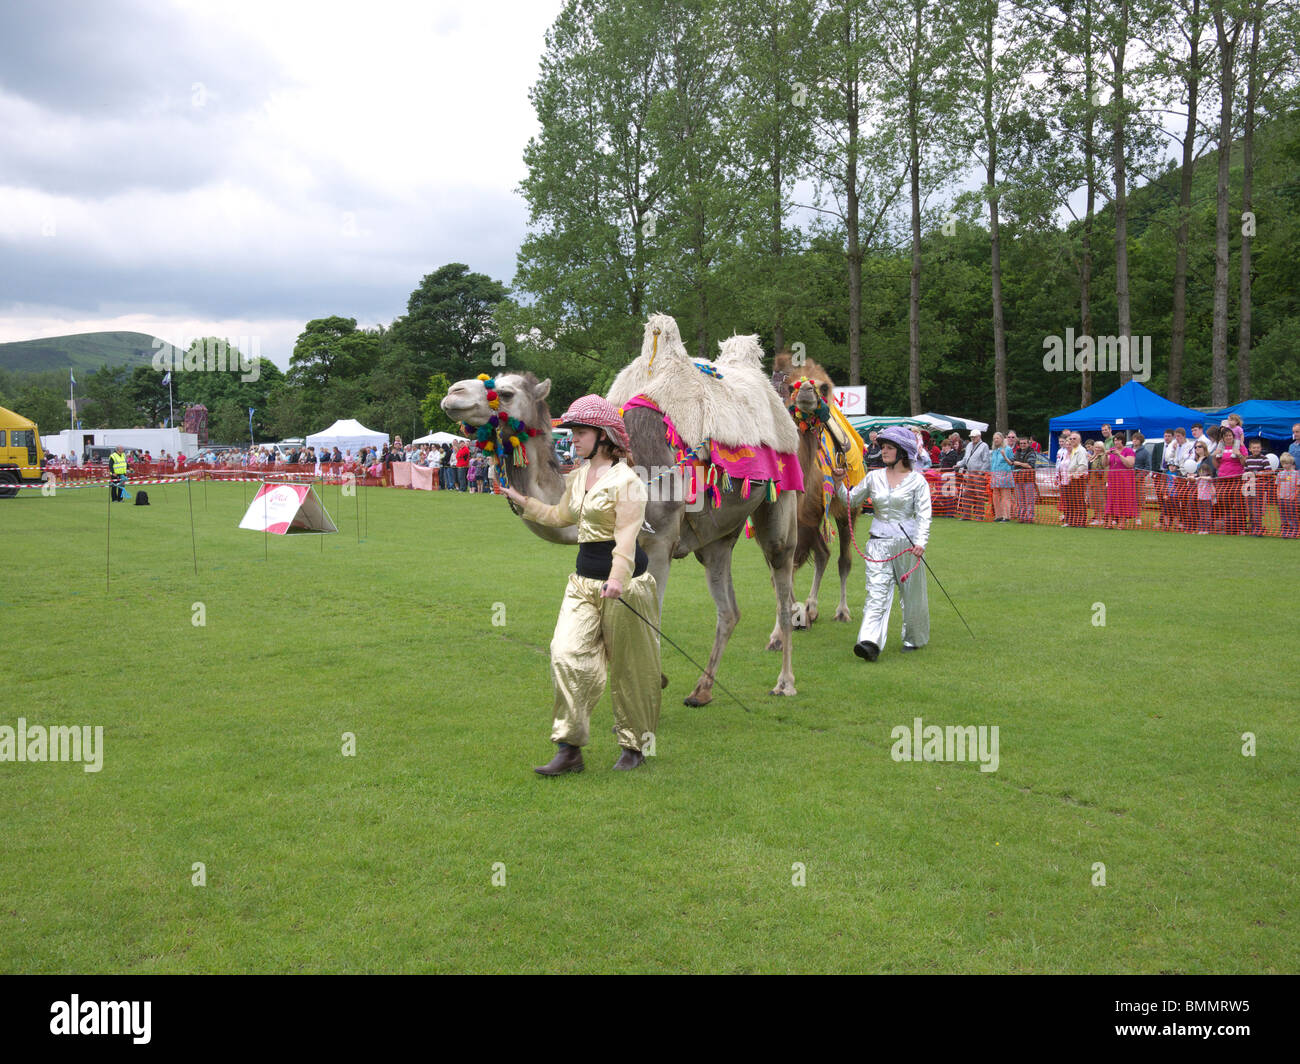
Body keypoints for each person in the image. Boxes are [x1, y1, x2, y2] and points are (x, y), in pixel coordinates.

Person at [497, 396, 661, 775]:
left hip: (626, 587)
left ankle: (634, 745)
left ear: (604, 436)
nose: (575, 439)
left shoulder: (627, 481)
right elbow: (561, 516)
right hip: (583, 583)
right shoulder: (578, 477)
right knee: (565, 652)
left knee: (630, 668)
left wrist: (618, 580)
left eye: (581, 432)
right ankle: (569, 748)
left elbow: (626, 537)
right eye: (572, 432)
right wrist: (524, 502)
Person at [830, 425, 931, 660]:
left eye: (888, 448)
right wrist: (838, 483)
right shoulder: (873, 477)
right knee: (876, 593)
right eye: (882, 447)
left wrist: (920, 543)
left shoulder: (918, 482)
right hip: (877, 544)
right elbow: (849, 499)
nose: (883, 451)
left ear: (903, 451)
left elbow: (924, 516)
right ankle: (869, 642)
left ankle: (914, 638)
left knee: (912, 595)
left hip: (908, 547)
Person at [1104, 433, 1139, 529]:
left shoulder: (1129, 451)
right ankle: (1109, 522)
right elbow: (1105, 464)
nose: (1116, 442)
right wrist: (1105, 455)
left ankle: (1122, 522)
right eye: (1115, 440)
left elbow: (1130, 464)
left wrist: (1119, 455)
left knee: (1123, 499)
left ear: (1122, 441)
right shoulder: (1111, 451)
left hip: (1124, 479)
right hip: (1113, 479)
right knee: (1111, 499)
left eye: (1118, 440)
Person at [955, 429, 990, 520]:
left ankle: (979, 515)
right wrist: (958, 464)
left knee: (979, 495)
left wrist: (981, 473)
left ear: (979, 437)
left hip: (978, 474)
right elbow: (965, 458)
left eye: (974, 437)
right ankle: (966, 515)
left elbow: (986, 461)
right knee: (967, 494)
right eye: (971, 437)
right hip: (970, 473)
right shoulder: (969, 445)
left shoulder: (984, 446)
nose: (972, 438)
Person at [1243, 437, 1270, 535]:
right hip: (1250, 487)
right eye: (1254, 448)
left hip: (1259, 486)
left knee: (1257, 508)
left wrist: (1258, 474)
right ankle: (1253, 527)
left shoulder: (1264, 459)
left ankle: (1258, 528)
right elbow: (1245, 472)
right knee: (1250, 508)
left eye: (1258, 447)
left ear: (1261, 448)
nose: (1256, 449)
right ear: (1250, 449)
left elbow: (1269, 472)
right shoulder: (1248, 459)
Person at [1011, 431, 1038, 523]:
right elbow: (1012, 462)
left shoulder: (1031, 453)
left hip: (1028, 479)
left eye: (1024, 443)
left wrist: (1019, 464)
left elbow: (1030, 465)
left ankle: (1029, 517)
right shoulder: (1017, 452)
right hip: (1018, 479)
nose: (1022, 445)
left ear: (1028, 444)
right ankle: (1022, 517)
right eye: (1021, 443)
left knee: (1029, 499)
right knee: (1021, 499)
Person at [988, 431, 1014, 521]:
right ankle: (998, 515)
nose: (995, 440)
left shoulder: (1008, 449)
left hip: (1005, 475)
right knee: (995, 496)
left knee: (1005, 496)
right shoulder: (994, 450)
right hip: (995, 475)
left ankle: (1006, 516)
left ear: (1002, 439)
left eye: (997, 438)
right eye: (994, 438)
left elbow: (1012, 463)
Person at [1278, 453, 1298, 538]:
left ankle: (1294, 531)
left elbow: (1298, 487)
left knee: (1292, 516)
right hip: (1282, 499)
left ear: (1291, 463)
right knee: (1283, 516)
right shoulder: (1280, 474)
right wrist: (1278, 495)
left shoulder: (1296, 474)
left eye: (1286, 463)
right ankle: (1285, 531)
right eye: (1283, 464)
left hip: (1291, 499)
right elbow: (1278, 486)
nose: (1284, 465)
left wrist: (1295, 496)